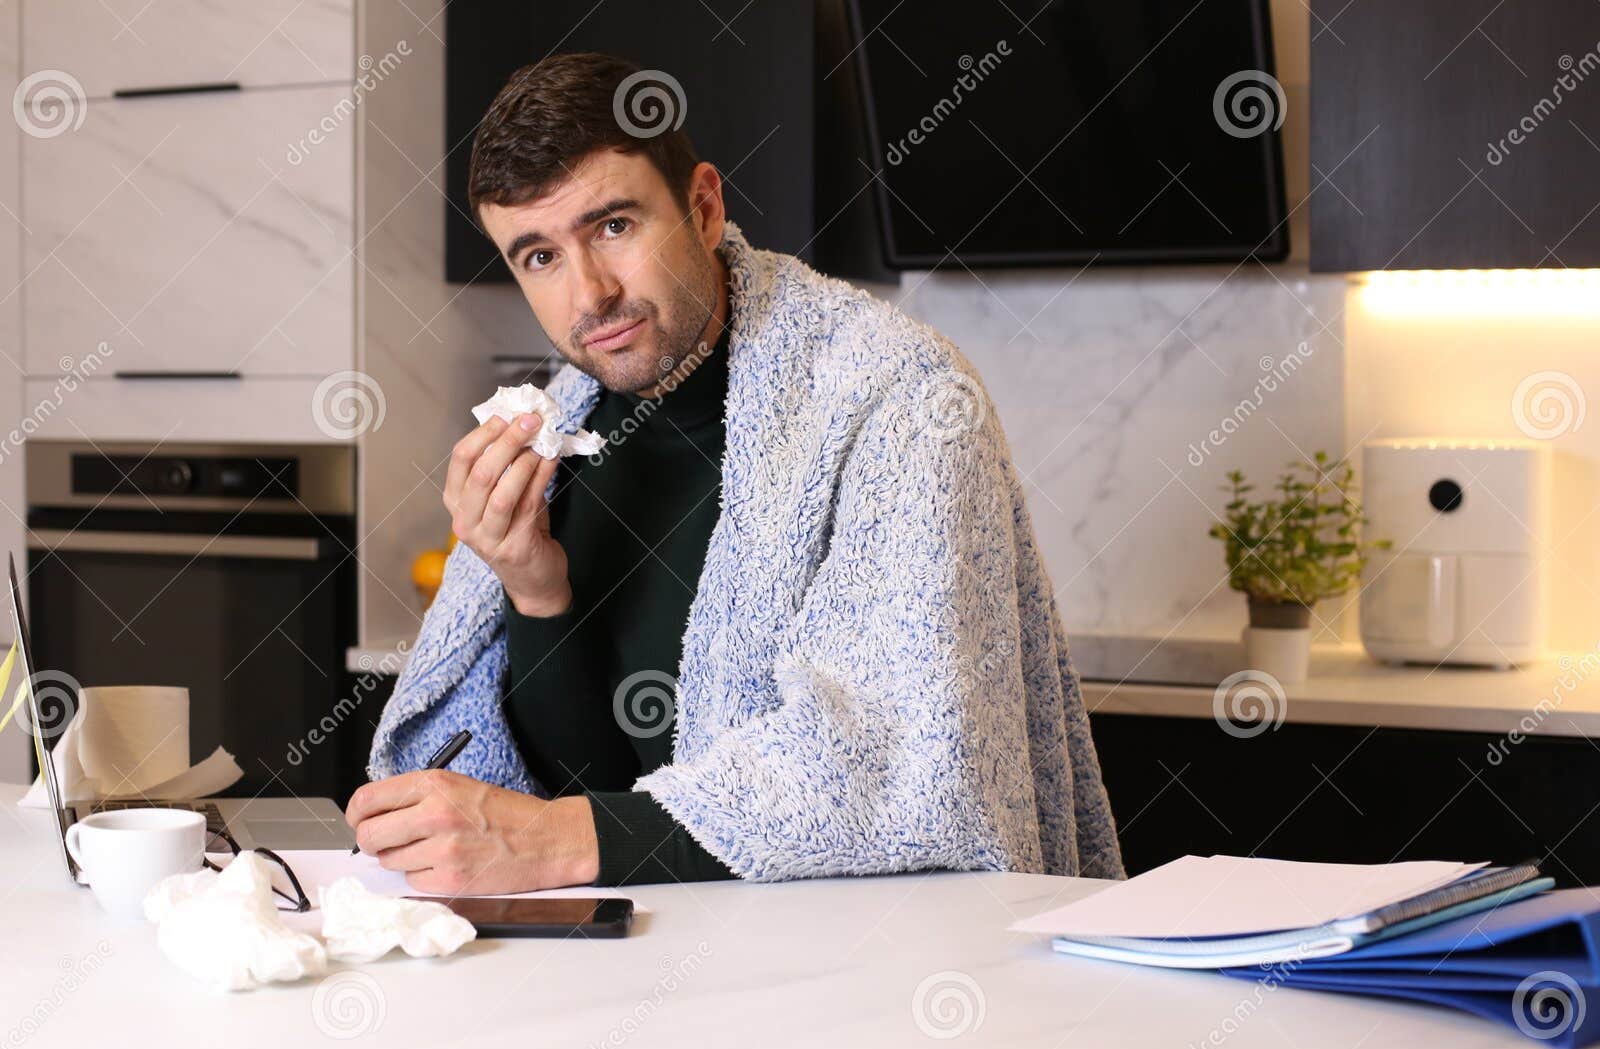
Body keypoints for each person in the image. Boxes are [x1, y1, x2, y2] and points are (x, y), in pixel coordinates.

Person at [352, 52, 1123, 893]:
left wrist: (548, 837)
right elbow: (587, 785)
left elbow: (902, 770)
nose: (591, 295)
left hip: (862, 973)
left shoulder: (899, 400)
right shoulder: (561, 437)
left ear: (705, 207)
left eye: (614, 226)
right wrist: (532, 588)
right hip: (642, 966)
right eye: (539, 256)